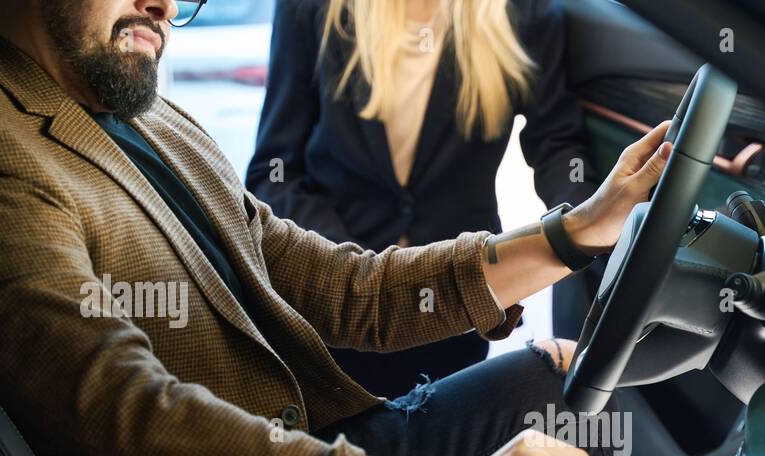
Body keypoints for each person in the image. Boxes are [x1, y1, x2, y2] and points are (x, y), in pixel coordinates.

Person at [0, 0, 671, 456]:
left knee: (544, 391)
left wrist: (572, 234)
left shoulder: (157, 125)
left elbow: (338, 287)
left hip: (305, 441)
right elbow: (129, 414)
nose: (161, 4)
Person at [248, 0, 597, 398]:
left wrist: (585, 220)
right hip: (335, 303)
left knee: (442, 448)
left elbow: (556, 144)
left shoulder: (525, 14)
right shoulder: (313, 9)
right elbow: (274, 172)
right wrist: (354, 274)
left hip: (455, 299)